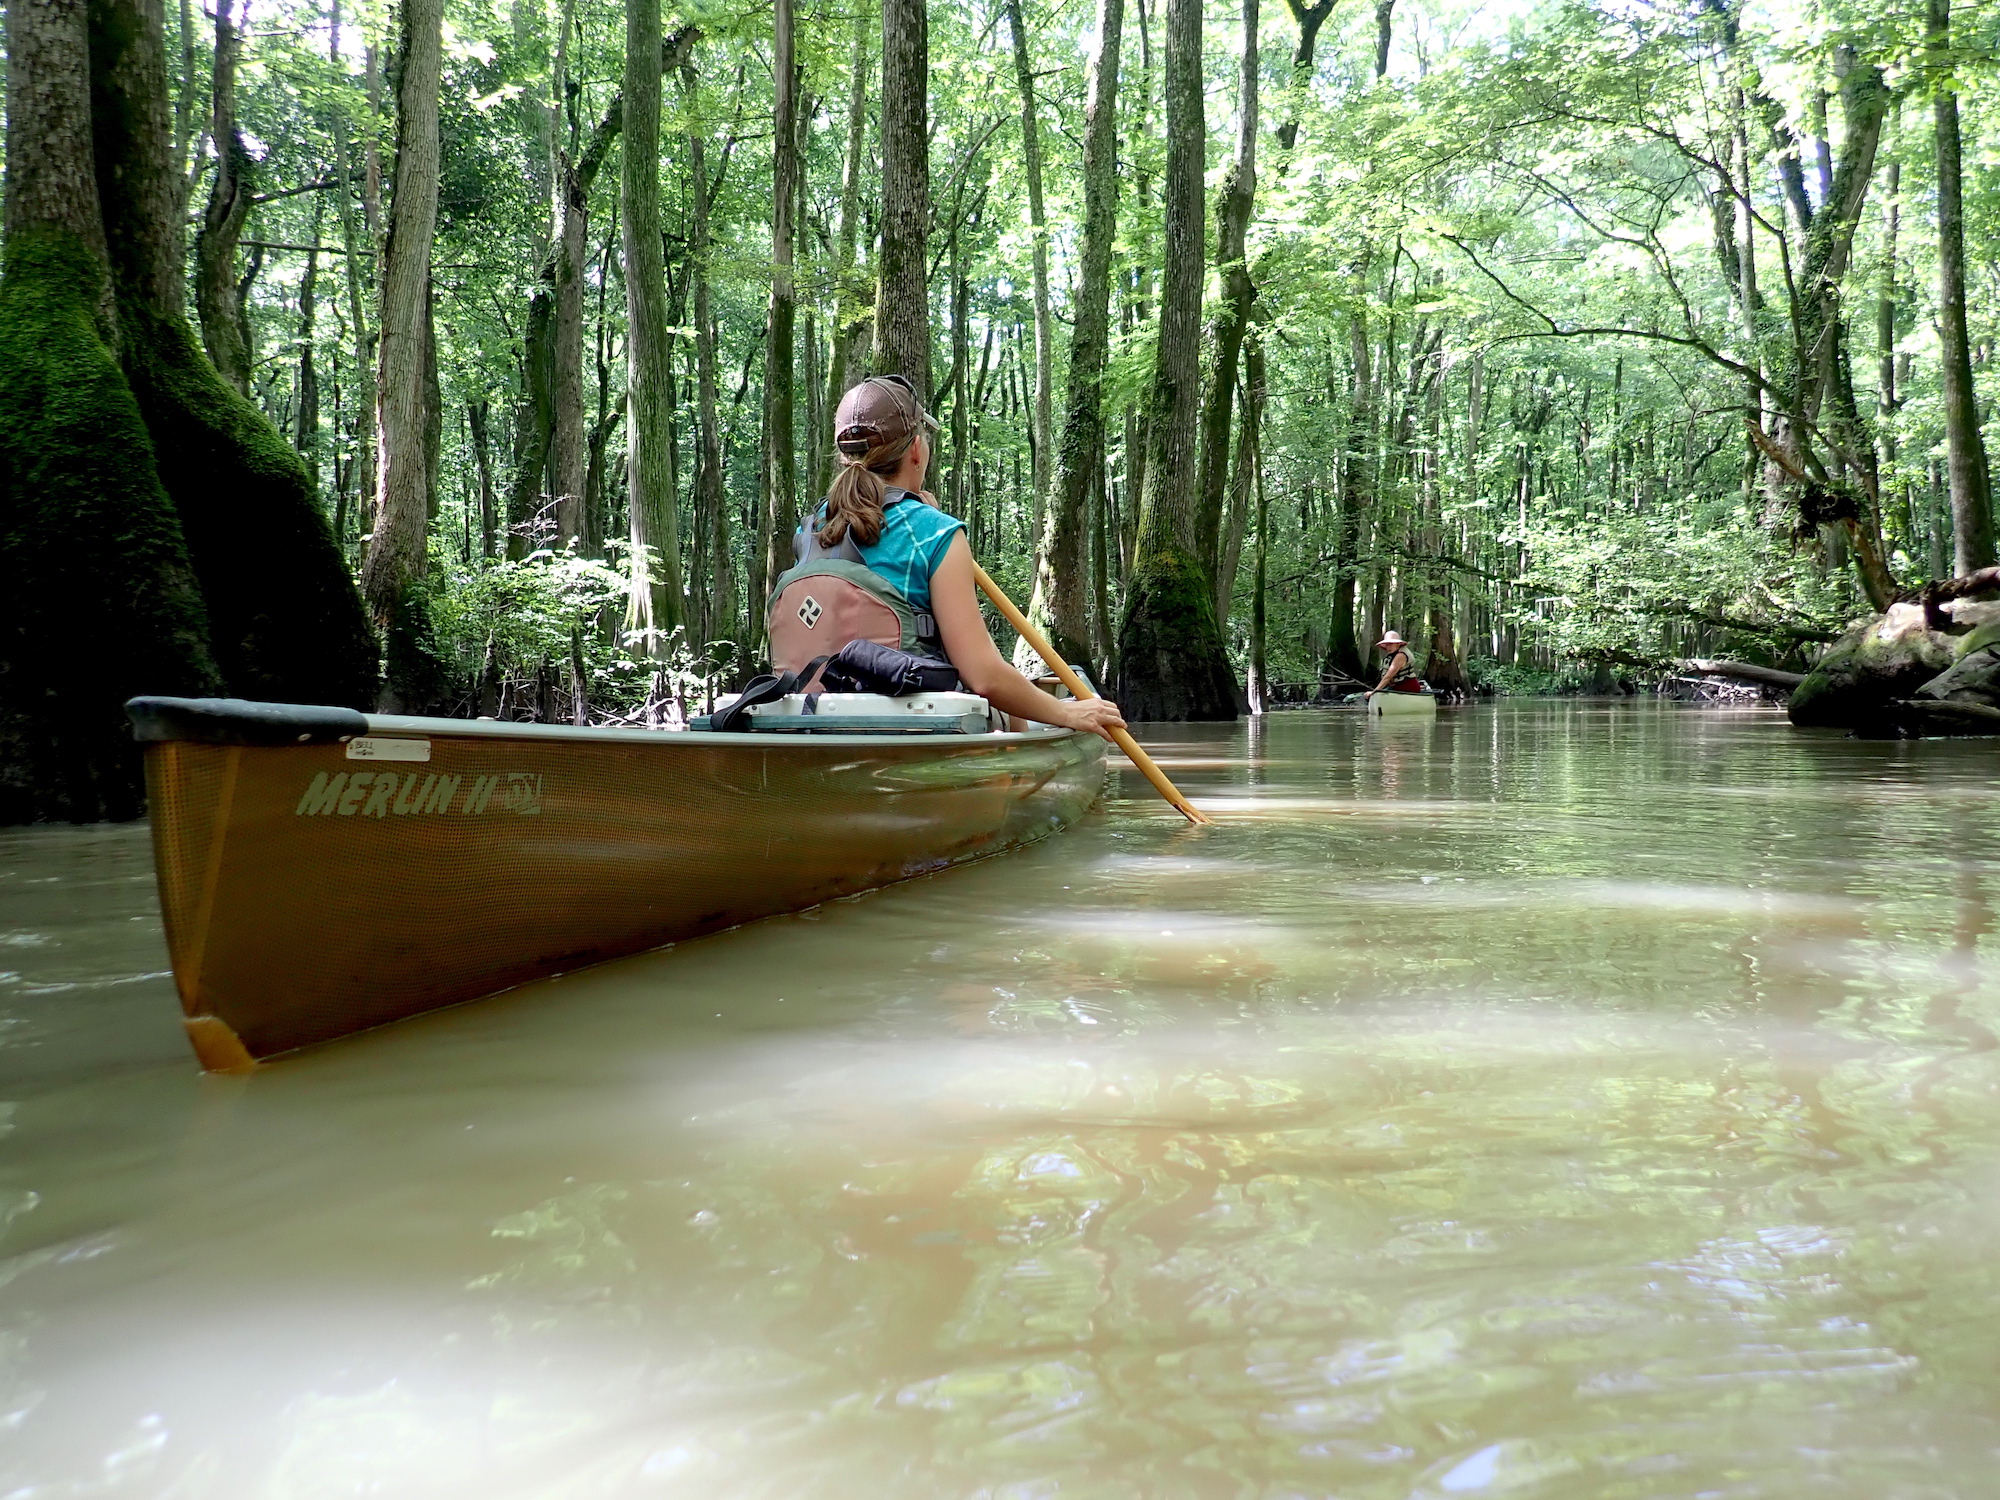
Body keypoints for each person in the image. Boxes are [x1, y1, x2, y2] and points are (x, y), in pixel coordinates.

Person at [786, 374, 1126, 742]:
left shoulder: (811, 528)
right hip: (911, 731)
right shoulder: (936, 533)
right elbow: (984, 677)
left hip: (811, 722)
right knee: (1009, 700)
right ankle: (1019, 770)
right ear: (917, 450)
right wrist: (1066, 712)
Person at [1365, 630, 1424, 699]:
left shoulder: (1400, 656)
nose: (1388, 647)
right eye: (1387, 644)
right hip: (1397, 687)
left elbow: (1388, 677)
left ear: (1398, 644)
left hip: (1408, 689)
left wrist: (1374, 692)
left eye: (1391, 644)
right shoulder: (1394, 654)